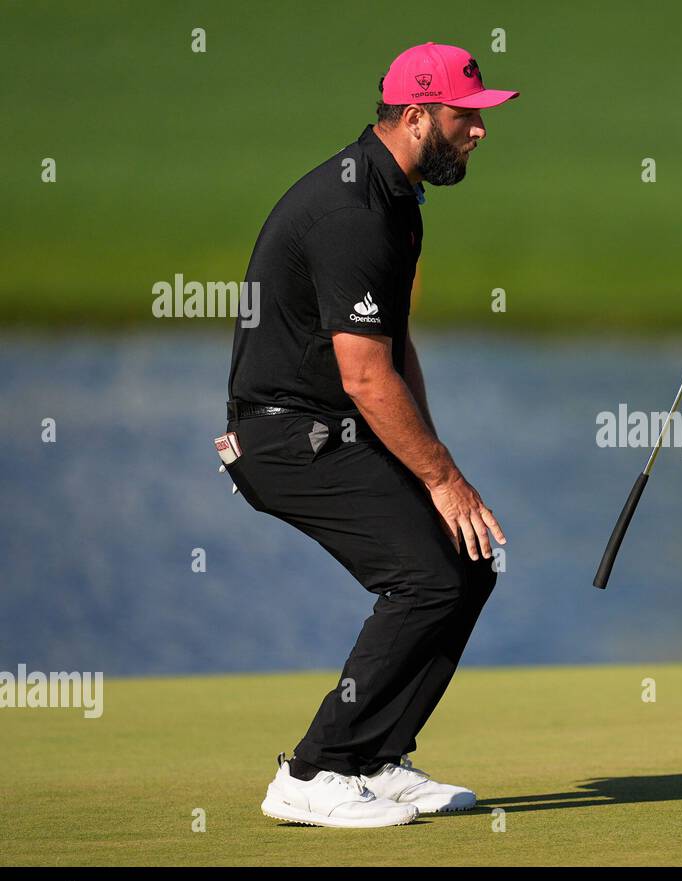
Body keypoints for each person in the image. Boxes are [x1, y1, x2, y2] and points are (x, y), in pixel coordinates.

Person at [220, 42, 517, 828]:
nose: (479, 133)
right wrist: (441, 477)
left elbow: (394, 350)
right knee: (425, 577)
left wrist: (433, 461)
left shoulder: (392, 195)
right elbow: (363, 375)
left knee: (466, 560)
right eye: (466, 118)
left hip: (334, 426)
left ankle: (375, 758)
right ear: (417, 116)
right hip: (285, 437)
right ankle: (313, 773)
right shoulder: (353, 212)